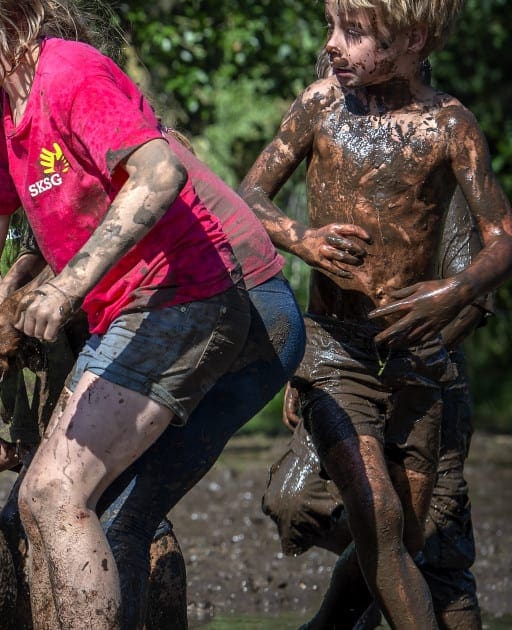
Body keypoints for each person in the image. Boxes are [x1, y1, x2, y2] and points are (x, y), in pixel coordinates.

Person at [0, 1, 257, 626]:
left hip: (178, 296)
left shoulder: (71, 74)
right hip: (133, 311)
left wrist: (68, 287)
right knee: (39, 495)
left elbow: (159, 172)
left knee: (56, 491)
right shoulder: (4, 109)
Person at [238, 0, 512, 625]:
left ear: (413, 39)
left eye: (353, 33)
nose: (333, 44)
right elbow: (248, 195)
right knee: (380, 519)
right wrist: (298, 237)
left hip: (416, 355)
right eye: (331, 27)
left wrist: (454, 291)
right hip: (335, 347)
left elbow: (502, 239)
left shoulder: (449, 127)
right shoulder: (319, 105)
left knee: (407, 538)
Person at [262, 191, 491, 629]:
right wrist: (303, 363)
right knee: (294, 501)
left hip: (429, 378)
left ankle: (370, 592)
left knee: (437, 547)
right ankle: (376, 575)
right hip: (342, 364)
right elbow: (331, 283)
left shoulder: (441, 162)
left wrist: (418, 357)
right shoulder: (345, 166)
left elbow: (473, 300)